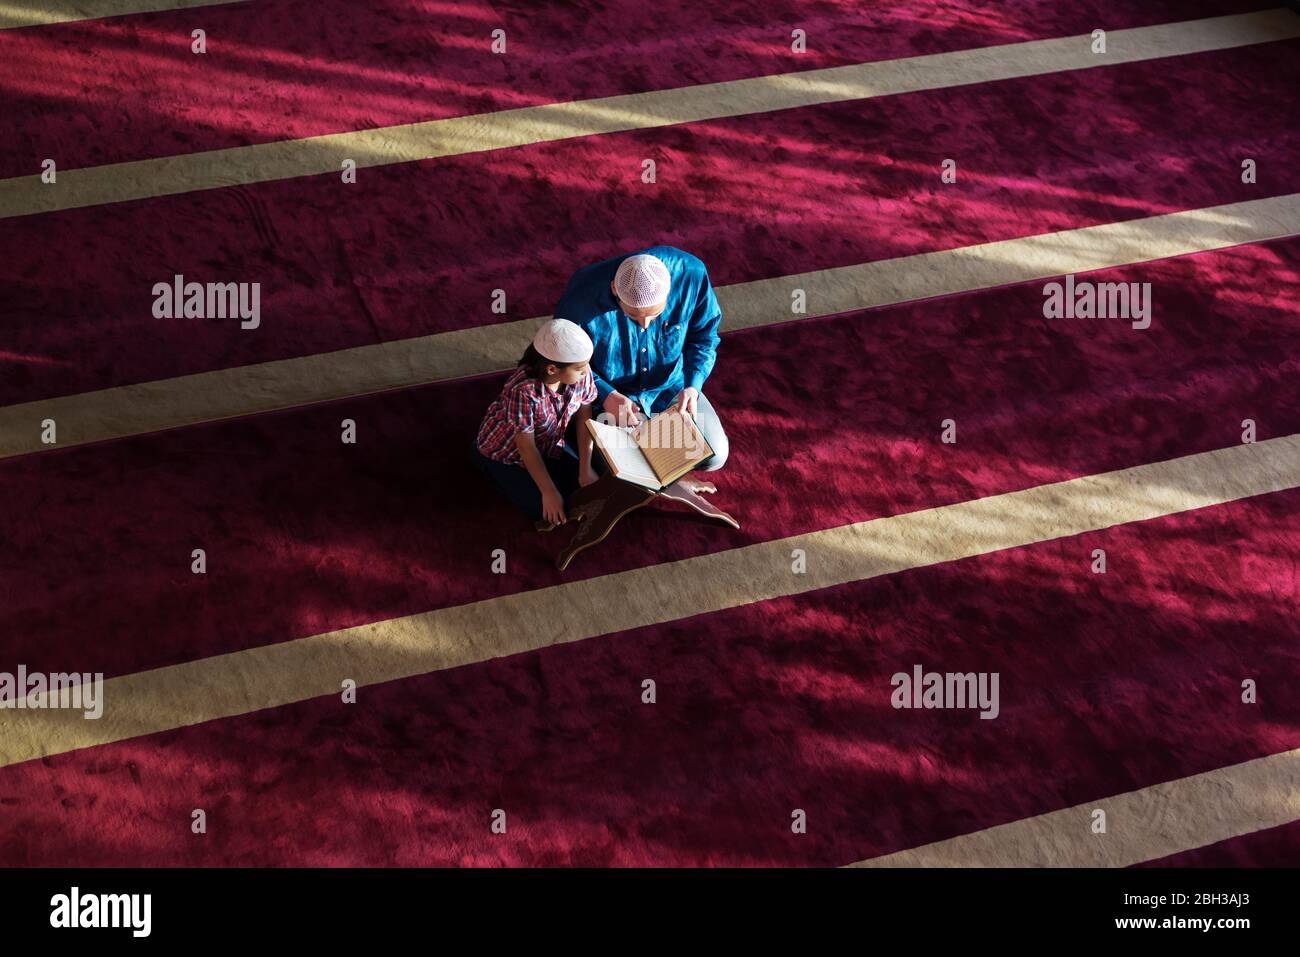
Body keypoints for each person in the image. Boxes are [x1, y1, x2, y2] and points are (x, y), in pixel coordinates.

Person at [555, 246, 729, 471]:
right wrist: (605, 394)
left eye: (655, 315)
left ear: (670, 291)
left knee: (714, 457)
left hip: (670, 387)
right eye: (632, 315)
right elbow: (567, 358)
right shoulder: (581, 296)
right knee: (625, 470)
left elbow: (704, 337)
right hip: (610, 396)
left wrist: (693, 387)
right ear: (614, 290)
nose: (644, 325)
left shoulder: (691, 275)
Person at [470, 319, 599, 528]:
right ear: (552, 369)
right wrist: (549, 492)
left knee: (589, 488)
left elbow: (585, 414)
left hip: (548, 444)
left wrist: (585, 467)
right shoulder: (523, 391)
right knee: (547, 511)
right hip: (507, 454)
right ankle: (481, 459)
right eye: (580, 368)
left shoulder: (581, 374)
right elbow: (525, 447)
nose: (587, 372)